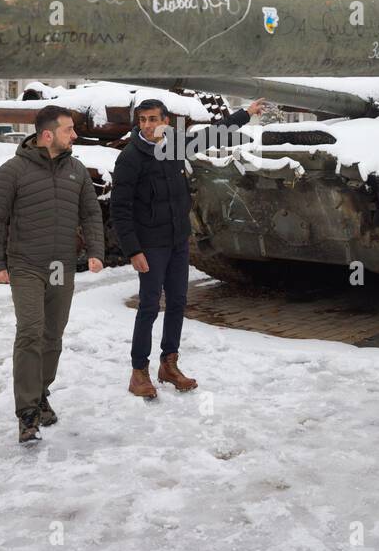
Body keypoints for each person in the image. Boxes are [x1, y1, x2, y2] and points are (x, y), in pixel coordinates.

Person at [110, 96, 264, 398]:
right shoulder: (131, 158)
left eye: (153, 119)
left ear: (165, 121)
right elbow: (120, 208)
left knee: (178, 302)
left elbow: (214, 134)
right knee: (150, 306)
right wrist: (133, 250)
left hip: (178, 240)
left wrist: (245, 114)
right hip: (151, 245)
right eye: (142, 120)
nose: (147, 125)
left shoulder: (174, 146)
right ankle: (138, 371)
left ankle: (169, 364)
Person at [0, 105, 105, 444]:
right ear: (48, 134)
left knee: (53, 336)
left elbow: (91, 214)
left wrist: (95, 251)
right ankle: (27, 412)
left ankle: (41, 392)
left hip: (59, 266)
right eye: (69, 130)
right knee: (30, 332)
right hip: (26, 265)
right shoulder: (13, 170)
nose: (75, 135)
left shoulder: (77, 170)